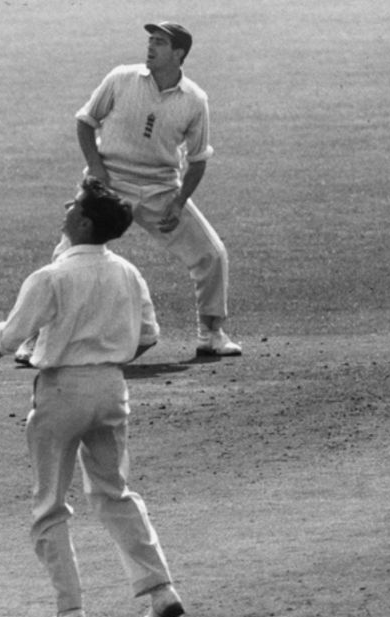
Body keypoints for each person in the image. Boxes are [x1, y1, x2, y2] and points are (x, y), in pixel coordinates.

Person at [0, 178, 185, 617]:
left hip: (60, 390)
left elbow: (13, 336)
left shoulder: (51, 275)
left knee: (49, 503)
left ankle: (70, 610)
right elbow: (148, 335)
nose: (66, 209)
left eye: (73, 205)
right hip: (113, 389)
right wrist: (108, 359)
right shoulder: (127, 272)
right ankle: (161, 592)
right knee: (114, 491)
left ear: (83, 221)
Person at [16, 21, 240, 365]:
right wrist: (98, 170)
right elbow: (86, 121)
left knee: (212, 254)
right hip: (108, 185)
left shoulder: (195, 100)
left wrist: (179, 203)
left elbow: (197, 160)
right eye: (150, 41)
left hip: (160, 190)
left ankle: (211, 333)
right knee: (65, 261)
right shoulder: (121, 78)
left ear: (178, 53)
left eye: (160, 43)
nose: (150, 47)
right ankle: (35, 338)